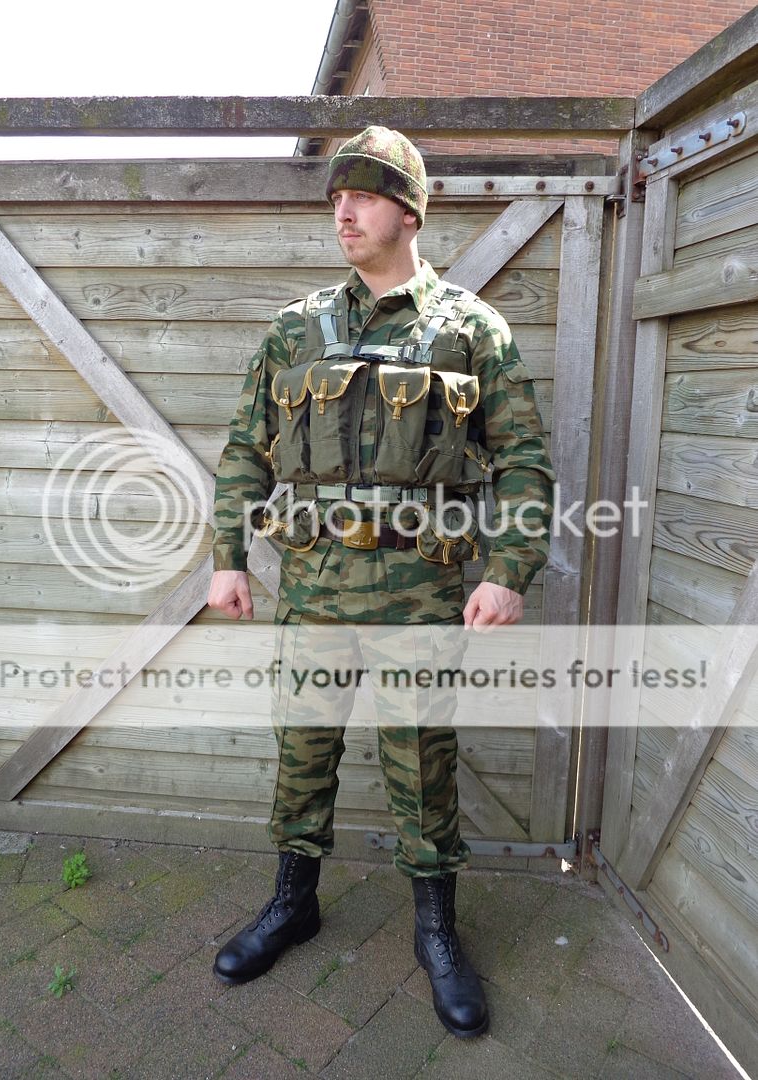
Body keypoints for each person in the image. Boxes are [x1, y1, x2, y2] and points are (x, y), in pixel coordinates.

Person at [206, 126, 554, 1038]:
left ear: (408, 209)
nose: (343, 214)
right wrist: (227, 557)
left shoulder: (471, 331)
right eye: (334, 200)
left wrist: (509, 570)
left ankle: (436, 931)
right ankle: (293, 902)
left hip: (420, 594)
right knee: (303, 752)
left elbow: (522, 464)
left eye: (359, 197)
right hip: (314, 587)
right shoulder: (296, 327)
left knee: (422, 761)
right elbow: (247, 448)